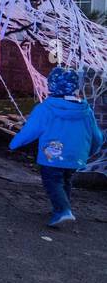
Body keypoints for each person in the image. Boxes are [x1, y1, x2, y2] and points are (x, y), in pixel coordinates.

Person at [9, 66, 104, 227]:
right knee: (65, 180)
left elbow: (31, 130)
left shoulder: (46, 108)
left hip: (52, 156)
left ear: (51, 85)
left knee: (52, 181)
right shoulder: (85, 110)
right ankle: (61, 207)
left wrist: (14, 144)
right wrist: (90, 151)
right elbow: (96, 136)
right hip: (76, 156)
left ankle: (63, 210)